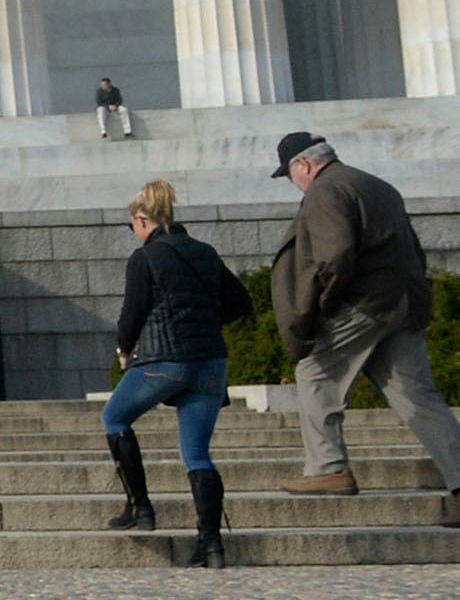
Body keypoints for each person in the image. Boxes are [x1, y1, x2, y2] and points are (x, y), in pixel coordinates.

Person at [267, 132, 460, 519]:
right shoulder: (378, 186)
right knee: (418, 397)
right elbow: (411, 248)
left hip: (363, 303)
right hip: (402, 301)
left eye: (290, 175)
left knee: (314, 372)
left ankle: (329, 468)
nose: (295, 184)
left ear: (303, 165)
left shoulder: (325, 191)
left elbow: (334, 255)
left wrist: (324, 303)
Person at [103, 179, 249, 565]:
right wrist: (205, 321)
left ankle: (141, 509)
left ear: (141, 219)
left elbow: (132, 314)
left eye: (132, 224)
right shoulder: (204, 252)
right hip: (210, 362)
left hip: (163, 361)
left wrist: (123, 347)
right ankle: (212, 545)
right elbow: (240, 303)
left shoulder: (145, 258)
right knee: (197, 454)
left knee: (114, 417)